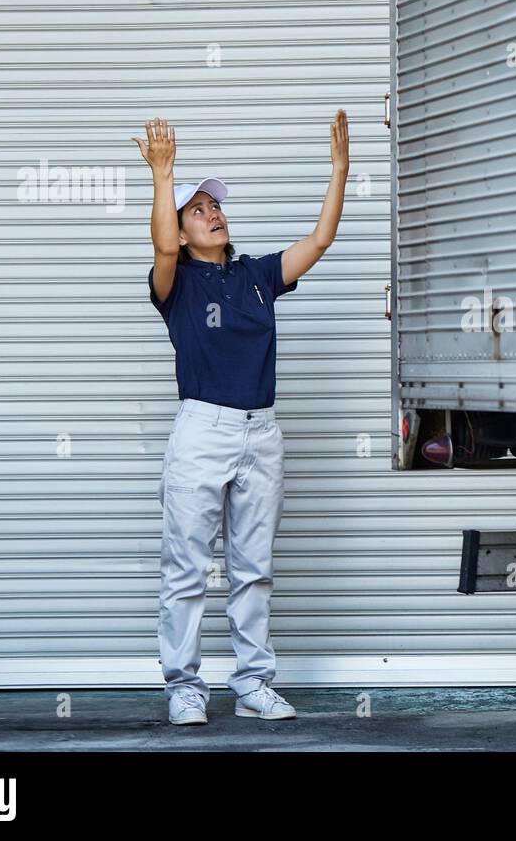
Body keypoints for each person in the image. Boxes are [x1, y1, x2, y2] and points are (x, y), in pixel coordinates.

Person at [133, 113, 349, 724]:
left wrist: (338, 172)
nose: (214, 213)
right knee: (187, 566)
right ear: (180, 229)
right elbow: (159, 246)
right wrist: (163, 175)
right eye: (198, 209)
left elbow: (319, 241)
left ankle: (253, 683)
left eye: (215, 206)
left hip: (262, 432)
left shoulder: (255, 275)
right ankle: (185, 687)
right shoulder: (175, 285)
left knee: (254, 568)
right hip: (203, 430)